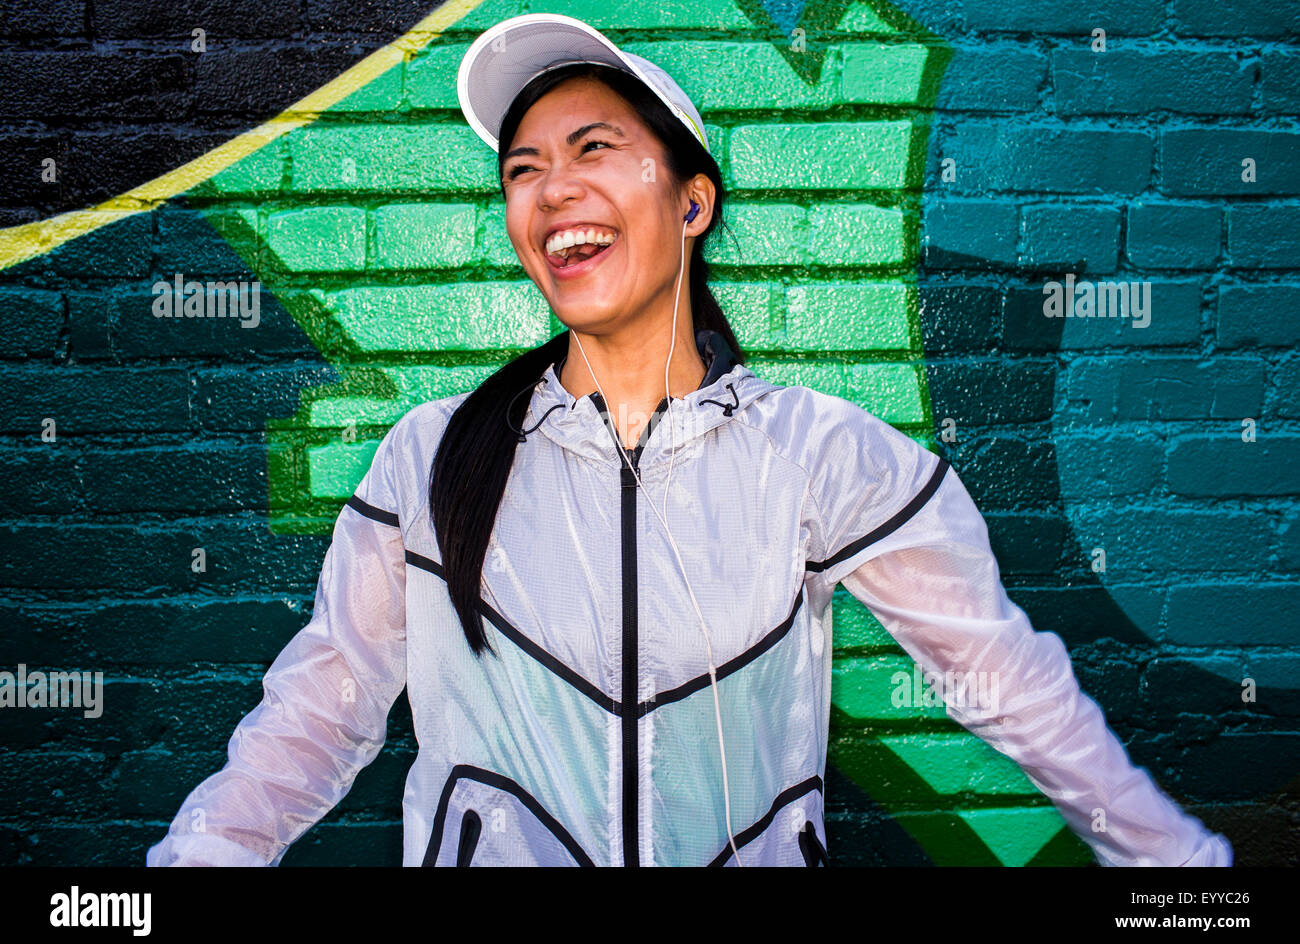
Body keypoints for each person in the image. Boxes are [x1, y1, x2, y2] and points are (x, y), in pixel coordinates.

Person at [147, 13, 1233, 867]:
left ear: (691, 201)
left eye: (593, 148)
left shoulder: (819, 453)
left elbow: (1003, 679)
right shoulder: (429, 457)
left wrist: (1180, 865)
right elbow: (315, 715)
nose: (551, 188)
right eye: (522, 168)